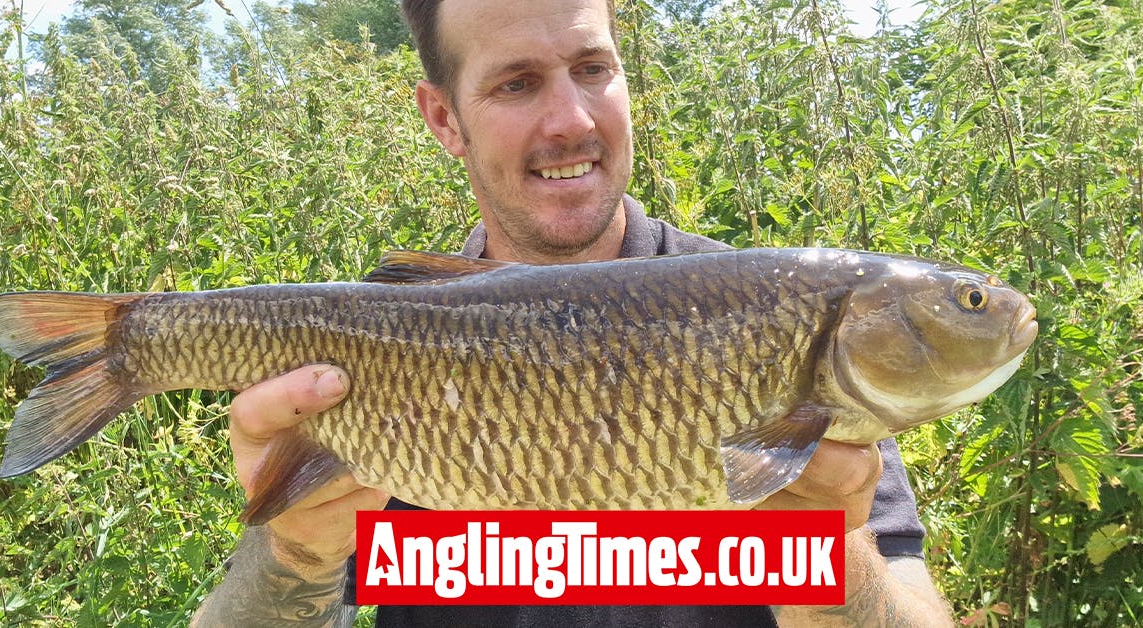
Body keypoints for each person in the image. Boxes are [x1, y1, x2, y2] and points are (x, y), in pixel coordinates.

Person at [193, 0, 953, 625]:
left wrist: (825, 555)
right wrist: (296, 548)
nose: (572, 119)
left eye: (593, 69)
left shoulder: (775, 312)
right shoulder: (374, 341)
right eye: (517, 84)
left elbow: (906, 600)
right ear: (443, 118)